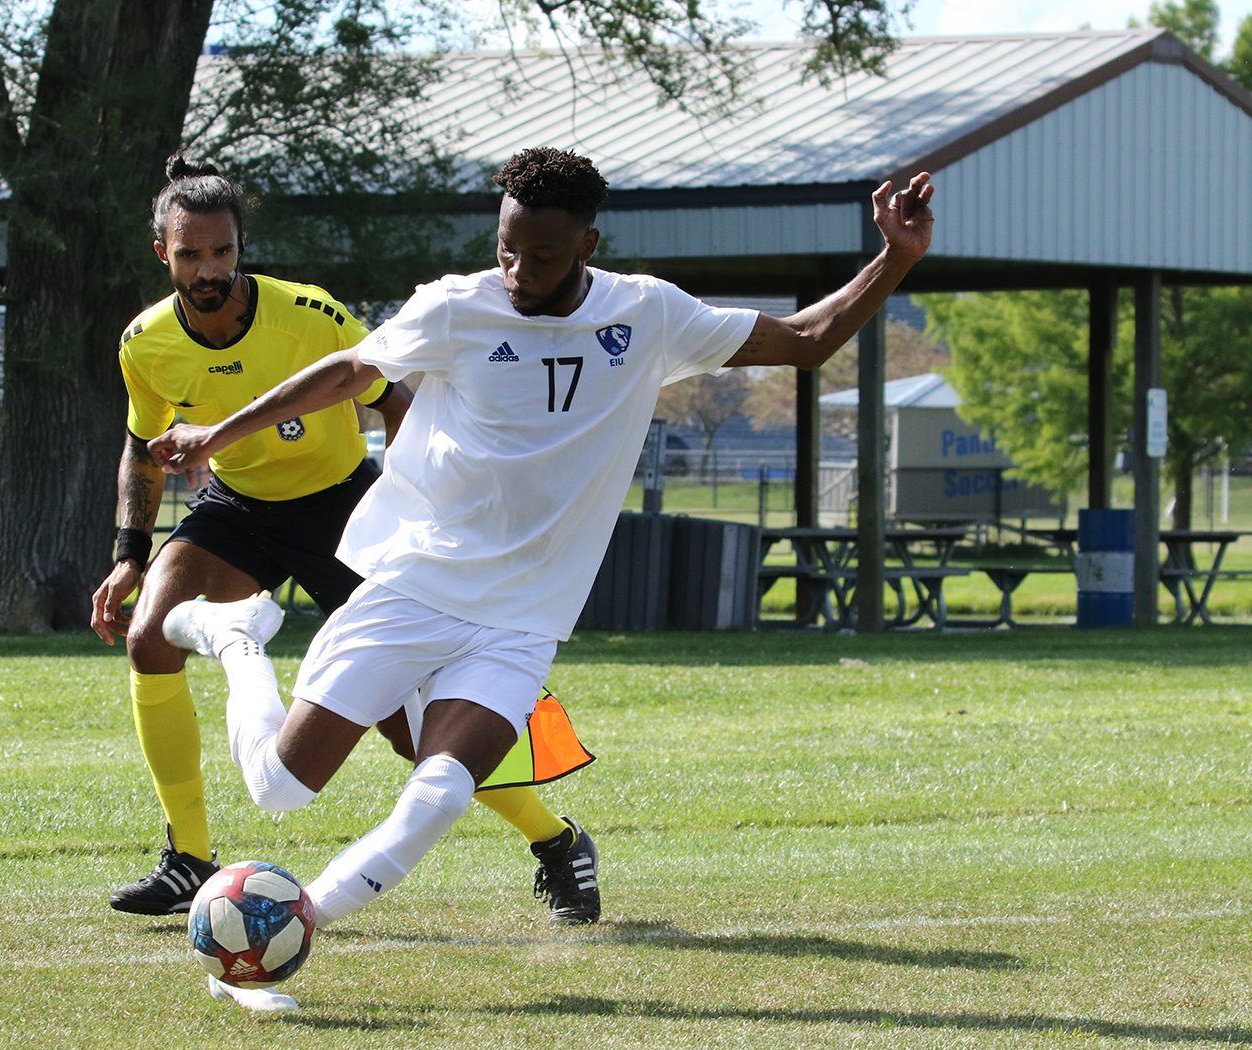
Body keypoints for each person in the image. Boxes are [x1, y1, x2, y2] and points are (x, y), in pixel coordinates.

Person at [149, 146, 934, 933]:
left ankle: (299, 920)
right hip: (415, 581)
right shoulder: (456, 306)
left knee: (445, 788)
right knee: (279, 788)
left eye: (544, 254)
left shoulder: (647, 313)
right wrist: (218, 432)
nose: (520, 270)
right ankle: (238, 638)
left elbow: (805, 339)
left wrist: (894, 258)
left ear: (588, 246)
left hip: (524, 615)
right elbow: (348, 373)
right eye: (507, 248)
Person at [90, 153, 599, 922]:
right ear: (163, 253)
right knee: (151, 636)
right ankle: (189, 859)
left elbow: (398, 399)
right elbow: (142, 442)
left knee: (413, 728)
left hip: (345, 512)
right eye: (190, 254)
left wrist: (419, 501)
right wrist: (129, 556)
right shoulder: (144, 343)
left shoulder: (310, 314)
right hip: (238, 506)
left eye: (222, 251)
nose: (208, 269)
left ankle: (555, 840)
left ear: (240, 247)